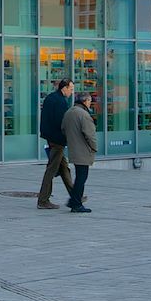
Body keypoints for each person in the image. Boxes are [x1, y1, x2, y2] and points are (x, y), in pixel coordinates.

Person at [36, 78, 75, 209]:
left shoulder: (51, 98)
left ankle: (75, 196)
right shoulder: (60, 102)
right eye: (71, 89)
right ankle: (43, 200)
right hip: (57, 140)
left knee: (64, 168)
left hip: (51, 137)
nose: (72, 91)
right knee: (51, 169)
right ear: (64, 88)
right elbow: (62, 123)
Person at [61, 91, 97, 213]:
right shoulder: (84, 115)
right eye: (90, 101)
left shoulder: (69, 112)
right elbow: (90, 135)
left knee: (79, 176)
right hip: (83, 150)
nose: (90, 104)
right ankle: (75, 203)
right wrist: (94, 147)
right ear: (85, 101)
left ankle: (74, 201)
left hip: (73, 148)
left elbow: (63, 129)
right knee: (82, 177)